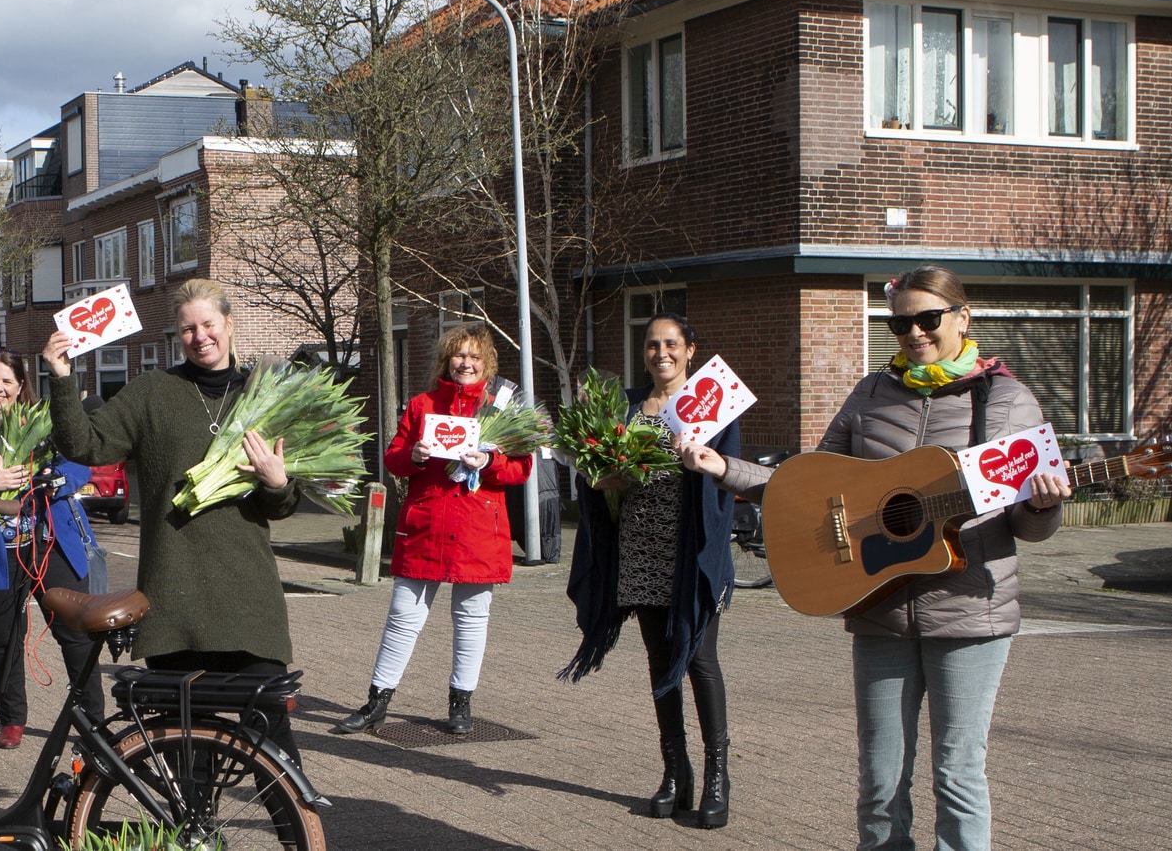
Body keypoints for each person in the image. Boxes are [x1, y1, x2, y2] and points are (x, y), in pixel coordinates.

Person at [681, 265, 1071, 850]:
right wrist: (727, 469)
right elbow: (809, 483)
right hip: (879, 608)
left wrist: (1042, 507)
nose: (914, 333)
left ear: (963, 318)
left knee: (958, 778)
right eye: (900, 323)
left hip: (968, 614)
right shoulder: (870, 393)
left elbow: (1028, 528)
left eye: (928, 320)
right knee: (879, 784)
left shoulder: (1008, 401)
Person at [40, 278, 302, 763]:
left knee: (272, 740)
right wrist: (61, 378)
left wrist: (277, 481)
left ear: (228, 324)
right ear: (176, 336)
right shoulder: (153, 393)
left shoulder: (266, 396)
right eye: (187, 329)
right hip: (174, 594)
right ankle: (195, 837)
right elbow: (85, 446)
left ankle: (299, 839)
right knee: (185, 745)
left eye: (208, 325)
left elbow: (282, 507)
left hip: (248, 598)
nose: (200, 337)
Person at [560, 312, 739, 829]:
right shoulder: (628, 405)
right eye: (652, 345)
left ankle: (716, 776)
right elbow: (596, 467)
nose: (661, 353)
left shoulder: (712, 405)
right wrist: (598, 478)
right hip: (638, 551)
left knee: (699, 659)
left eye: (671, 345)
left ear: (690, 349)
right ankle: (674, 770)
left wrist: (699, 460)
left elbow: (728, 476)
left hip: (689, 553)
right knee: (661, 663)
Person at [334, 324, 532, 736]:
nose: (466, 363)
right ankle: (377, 701)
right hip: (426, 526)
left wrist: (488, 463)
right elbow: (393, 458)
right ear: (447, 359)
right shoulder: (423, 404)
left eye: (475, 357)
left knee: (472, 619)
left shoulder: (501, 409)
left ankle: (461, 705)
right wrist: (416, 455)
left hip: (479, 528)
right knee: (403, 618)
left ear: (487, 362)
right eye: (460, 355)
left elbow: (522, 467)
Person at [0, 350, 107, 749]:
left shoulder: (45, 422)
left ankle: (93, 723)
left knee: (76, 634)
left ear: (20, 386)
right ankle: (12, 719)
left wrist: (54, 478)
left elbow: (81, 463)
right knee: (3, 639)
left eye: (6, 382)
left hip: (47, 544)